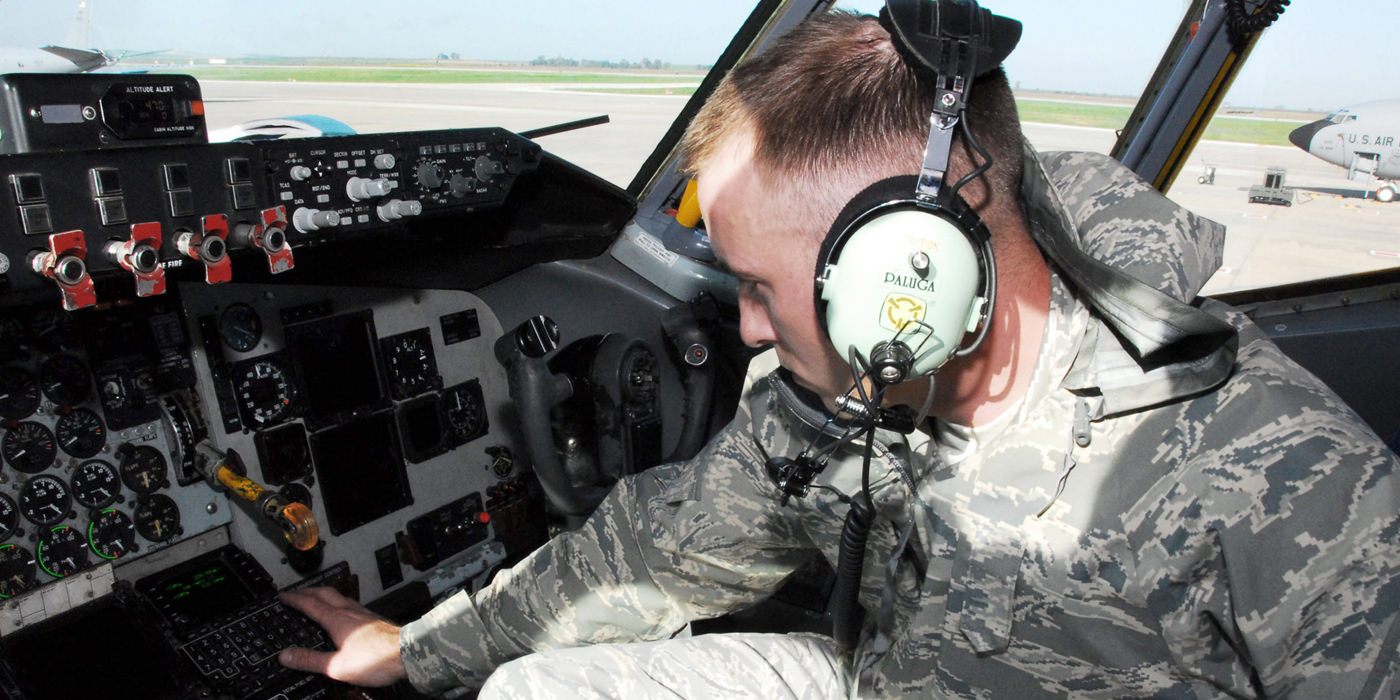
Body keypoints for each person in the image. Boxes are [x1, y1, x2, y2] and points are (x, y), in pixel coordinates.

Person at [278, 7, 1400, 698]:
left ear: (903, 275)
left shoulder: (1280, 476)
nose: (748, 331)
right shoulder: (840, 394)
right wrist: (414, 649)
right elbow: (649, 553)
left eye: (761, 290)